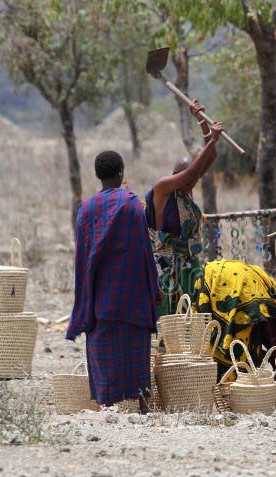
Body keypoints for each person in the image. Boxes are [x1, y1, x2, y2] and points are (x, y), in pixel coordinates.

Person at [66, 151, 159, 413]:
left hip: (99, 297)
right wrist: (154, 286)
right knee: (134, 348)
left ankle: (106, 402)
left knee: (103, 346)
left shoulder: (86, 208)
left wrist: (85, 296)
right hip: (131, 295)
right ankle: (142, 403)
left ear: (98, 175)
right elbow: (144, 251)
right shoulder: (132, 205)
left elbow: (82, 255)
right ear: (121, 173)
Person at [145, 100, 224, 316]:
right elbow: (192, 173)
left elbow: (210, 158)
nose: (191, 184)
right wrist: (212, 140)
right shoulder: (162, 188)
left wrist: (202, 122)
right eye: (187, 180)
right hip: (166, 267)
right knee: (169, 322)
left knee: (195, 320)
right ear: (177, 176)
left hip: (189, 267)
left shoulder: (185, 192)